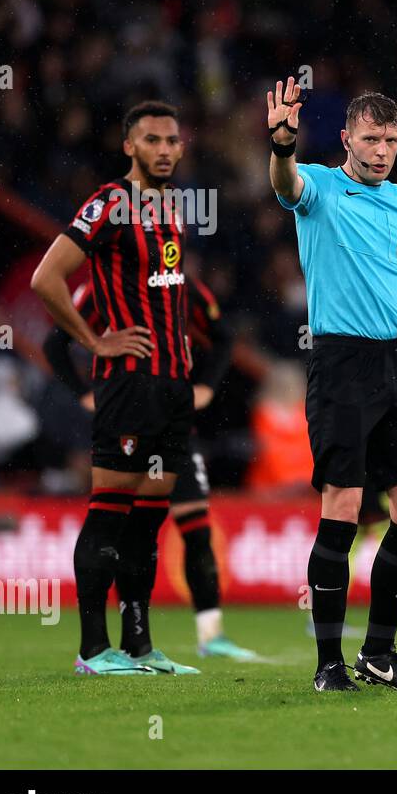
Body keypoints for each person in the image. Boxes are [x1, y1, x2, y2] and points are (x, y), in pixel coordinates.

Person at [267, 77, 397, 692]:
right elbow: (285, 183)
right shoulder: (319, 189)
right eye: (371, 138)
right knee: (342, 505)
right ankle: (328, 662)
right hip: (342, 364)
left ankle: (380, 652)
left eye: (390, 139)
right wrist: (282, 144)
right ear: (347, 139)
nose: (382, 150)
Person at [30, 100, 200, 676]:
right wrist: (95, 341)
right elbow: (45, 279)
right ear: (130, 146)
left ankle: (138, 645)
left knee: (148, 519)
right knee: (108, 512)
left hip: (173, 385)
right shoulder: (109, 204)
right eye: (151, 140)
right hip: (129, 384)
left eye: (172, 140)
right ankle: (90, 649)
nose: (164, 150)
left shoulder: (172, 209)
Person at [43, 275, 260, 660]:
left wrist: (206, 386)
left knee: (185, 529)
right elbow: (55, 342)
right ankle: (99, 647)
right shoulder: (104, 288)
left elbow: (222, 335)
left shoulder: (181, 284)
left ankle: (199, 636)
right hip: (126, 412)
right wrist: (83, 393)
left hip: (173, 423)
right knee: (115, 523)